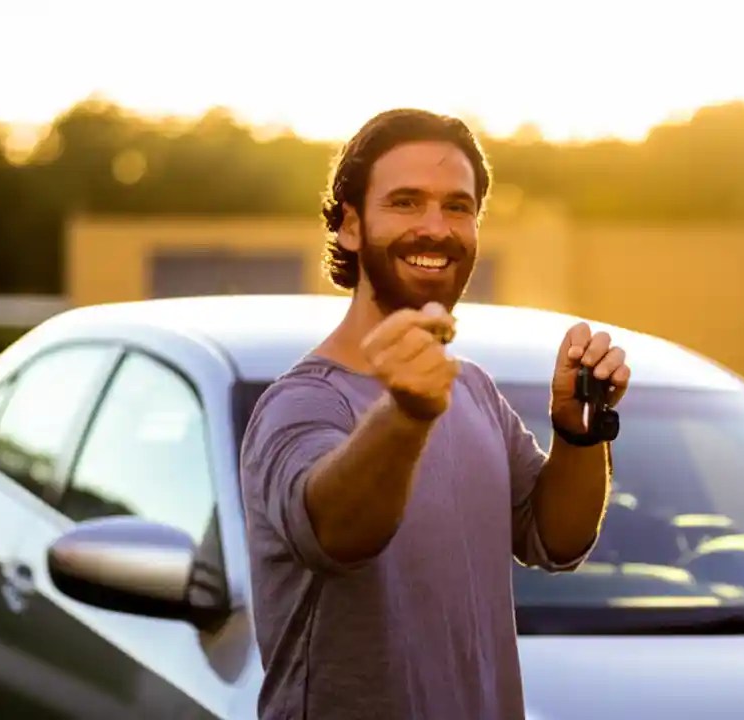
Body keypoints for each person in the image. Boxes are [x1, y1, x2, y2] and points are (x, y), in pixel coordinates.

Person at [238, 108, 632, 720]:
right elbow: (338, 534)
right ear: (349, 226)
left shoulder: (472, 389)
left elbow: (555, 540)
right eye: (404, 202)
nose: (436, 227)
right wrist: (407, 414)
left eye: (457, 207)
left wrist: (577, 435)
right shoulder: (300, 405)